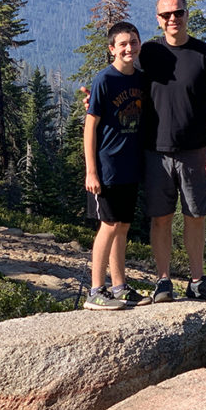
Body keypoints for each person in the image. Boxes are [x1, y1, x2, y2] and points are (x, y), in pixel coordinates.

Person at [140, 0, 206, 303]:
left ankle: (197, 280)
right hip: (155, 150)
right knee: (160, 218)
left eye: (178, 12)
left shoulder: (205, 54)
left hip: (196, 151)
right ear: (158, 20)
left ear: (187, 14)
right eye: (166, 15)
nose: (172, 19)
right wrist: (95, 101)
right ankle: (163, 281)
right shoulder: (147, 53)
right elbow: (123, 83)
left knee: (196, 216)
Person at [83, 21, 151, 310]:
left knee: (122, 226)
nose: (129, 48)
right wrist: (91, 171)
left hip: (130, 166)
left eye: (133, 42)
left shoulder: (141, 80)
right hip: (107, 167)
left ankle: (119, 286)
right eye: (122, 44)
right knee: (108, 226)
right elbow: (90, 127)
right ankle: (96, 290)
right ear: (112, 49)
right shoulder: (105, 80)